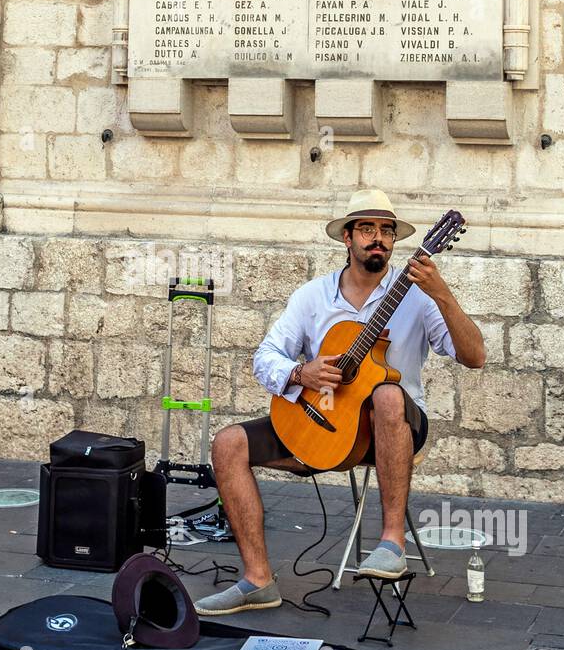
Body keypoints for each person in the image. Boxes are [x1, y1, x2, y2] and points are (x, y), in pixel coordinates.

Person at [194, 189, 487, 616]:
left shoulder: (419, 297)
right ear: (347, 238)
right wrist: (301, 373)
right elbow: (265, 357)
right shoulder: (313, 296)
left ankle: (391, 543)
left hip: (394, 429)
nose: (378, 238)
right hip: (325, 424)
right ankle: (257, 580)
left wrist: (443, 294)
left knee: (386, 393)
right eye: (367, 228)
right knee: (227, 443)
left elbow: (475, 356)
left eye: (387, 230)